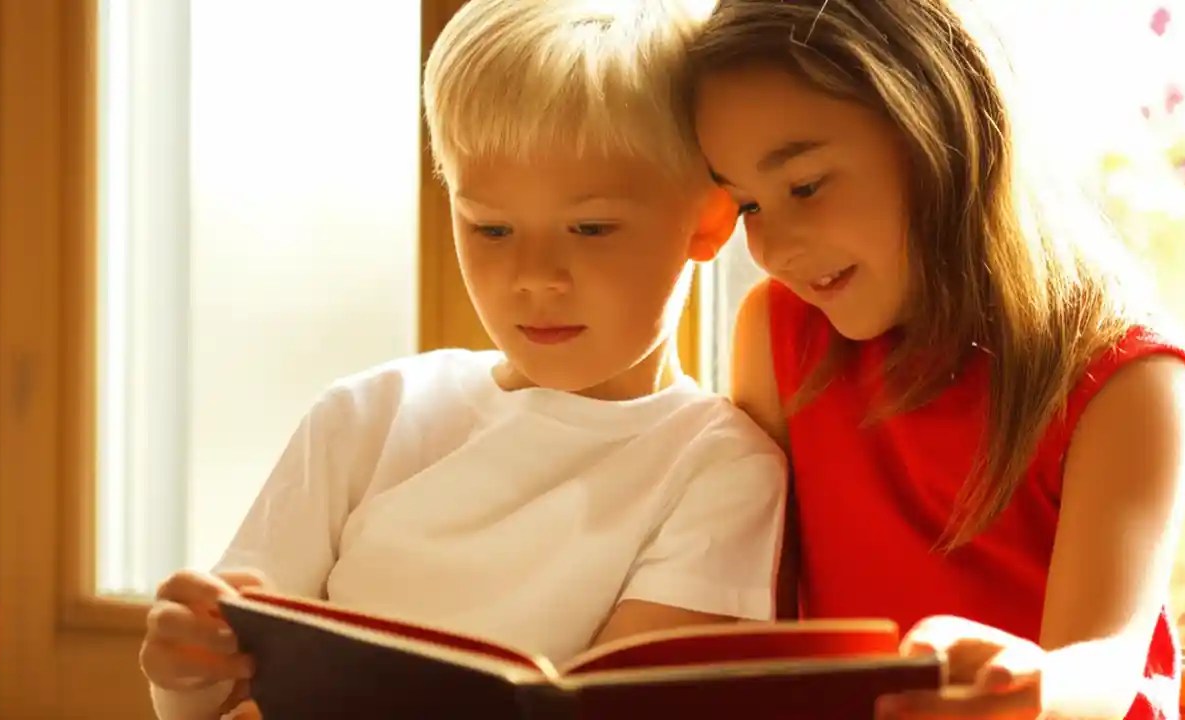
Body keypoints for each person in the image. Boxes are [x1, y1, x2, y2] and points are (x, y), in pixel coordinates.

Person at [138, 2, 788, 717]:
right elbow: (220, 685)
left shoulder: (720, 468)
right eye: (492, 228)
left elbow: (606, 709)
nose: (535, 277)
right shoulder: (367, 417)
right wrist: (188, 666)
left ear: (708, 220)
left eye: (590, 227)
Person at [688, 1, 1185, 718]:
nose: (772, 249)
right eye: (747, 205)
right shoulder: (778, 333)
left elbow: (1107, 663)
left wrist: (1025, 684)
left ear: (936, 131)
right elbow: (760, 630)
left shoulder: (1125, 375)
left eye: (805, 186)